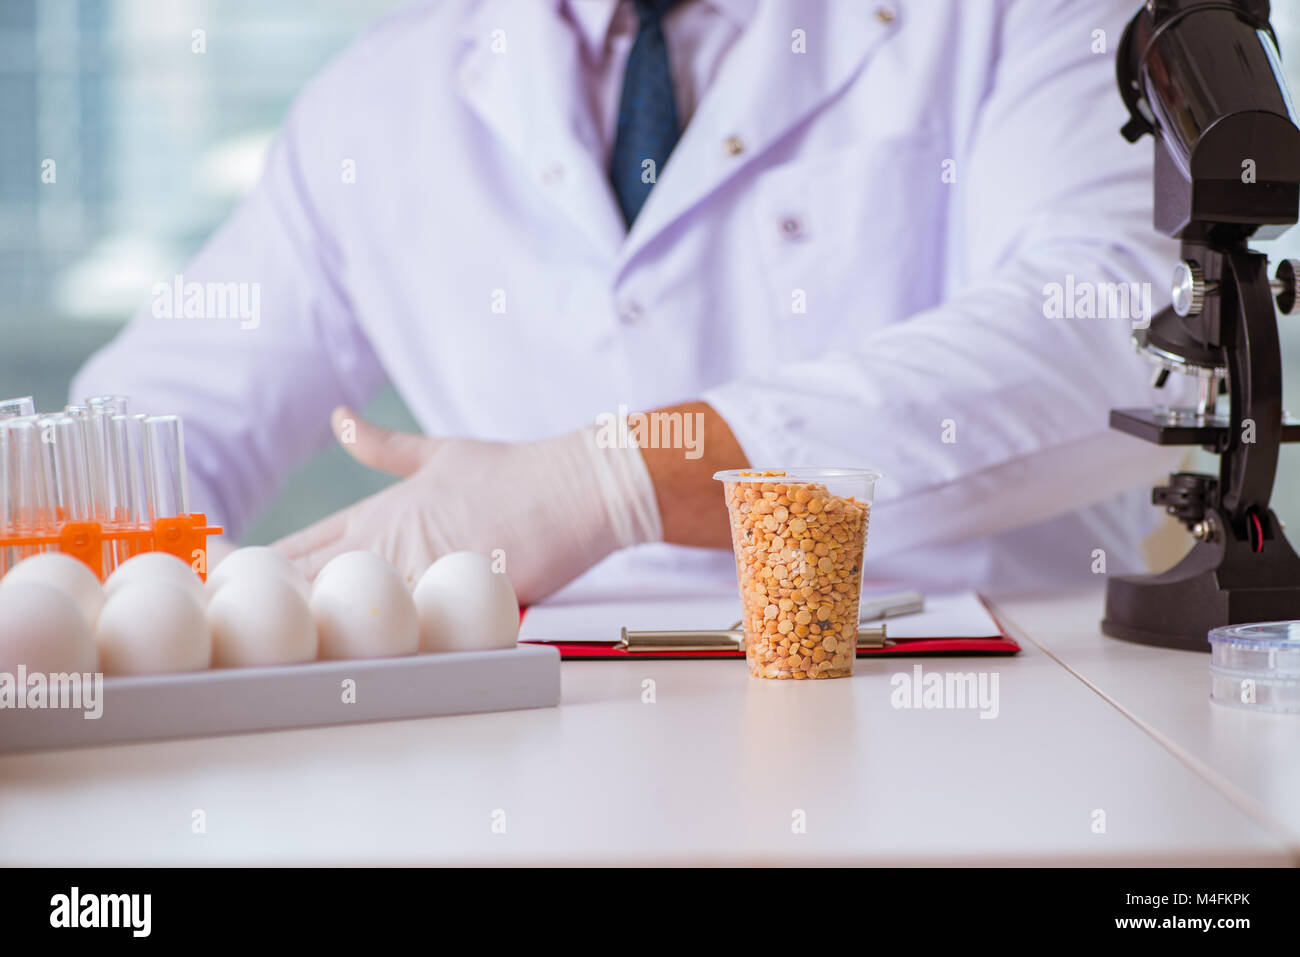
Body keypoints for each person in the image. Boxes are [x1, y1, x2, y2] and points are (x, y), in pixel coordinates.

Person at [72, 0, 1184, 604]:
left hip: (971, 709)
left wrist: (613, 480)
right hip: (539, 740)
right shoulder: (380, 102)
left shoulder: (1026, 15)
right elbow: (132, 438)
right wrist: (175, 631)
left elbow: (1132, 337)